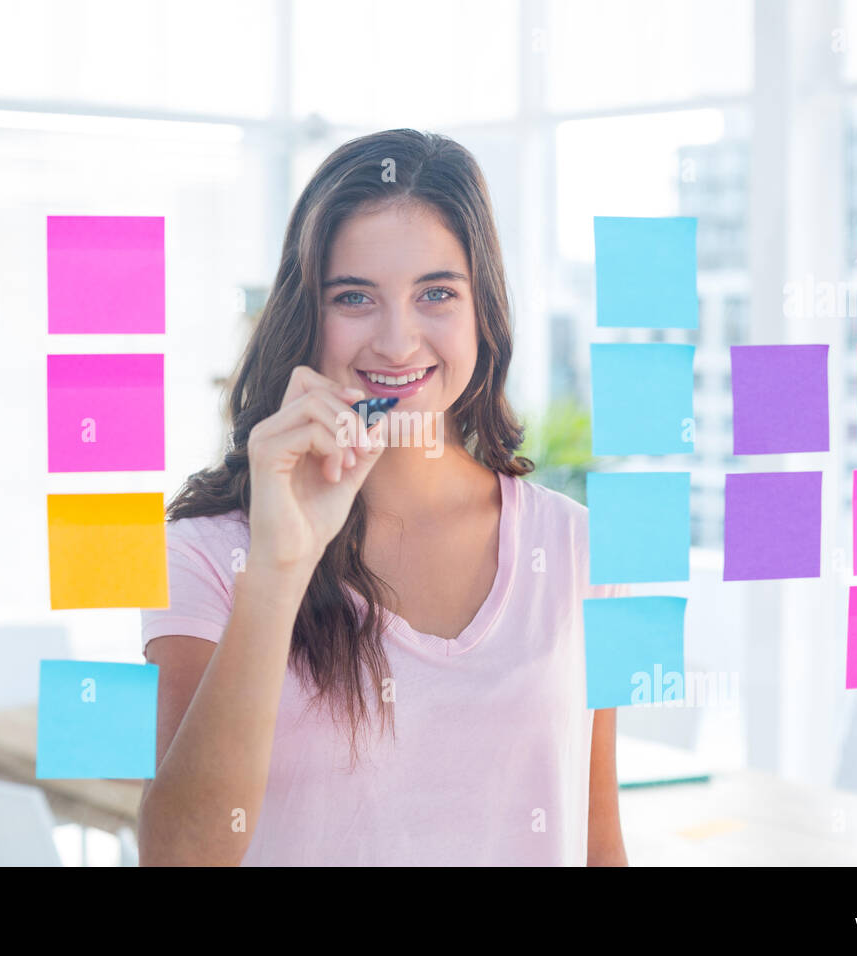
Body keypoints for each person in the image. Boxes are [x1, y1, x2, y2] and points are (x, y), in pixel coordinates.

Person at [138, 128, 628, 866]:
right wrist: (279, 566)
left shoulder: (578, 548)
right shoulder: (207, 554)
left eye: (436, 293)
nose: (398, 342)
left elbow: (597, 843)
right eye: (355, 298)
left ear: (482, 311)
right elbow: (178, 857)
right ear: (308, 317)